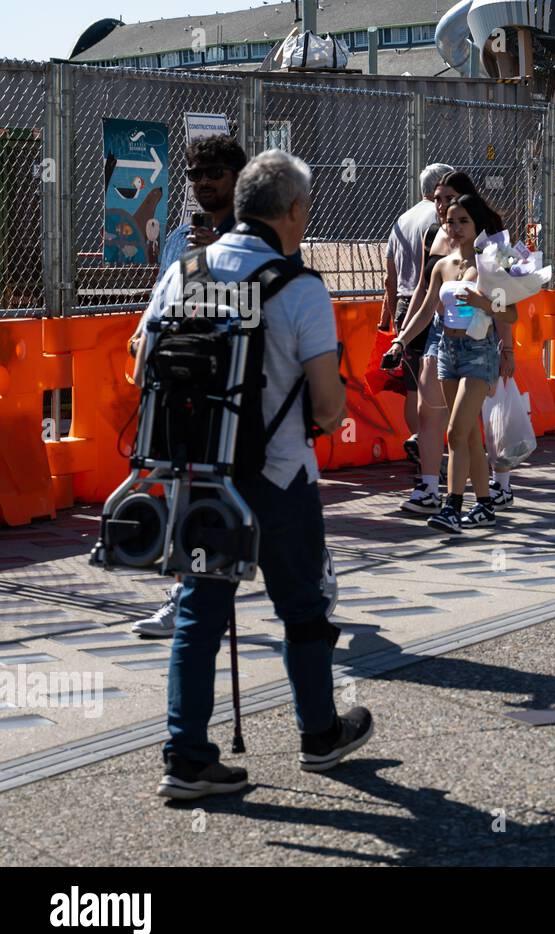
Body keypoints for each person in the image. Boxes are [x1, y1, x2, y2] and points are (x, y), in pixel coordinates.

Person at [136, 149, 373, 799]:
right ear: (295, 211)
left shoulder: (184, 272)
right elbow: (327, 407)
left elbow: (141, 366)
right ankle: (319, 734)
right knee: (303, 607)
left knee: (198, 615)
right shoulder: (299, 288)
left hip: (204, 478)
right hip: (279, 477)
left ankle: (186, 759)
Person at [129, 134, 247, 638]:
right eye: (195, 175)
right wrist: (144, 332)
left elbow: (257, 309)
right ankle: (185, 596)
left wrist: (219, 254)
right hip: (183, 383)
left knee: (257, 498)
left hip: (241, 389)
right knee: (186, 487)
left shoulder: (257, 238)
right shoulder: (180, 237)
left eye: (213, 173)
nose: (202, 184)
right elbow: (164, 295)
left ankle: (313, 566)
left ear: (239, 178)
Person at [385, 193, 516, 533]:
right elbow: (426, 310)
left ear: (477, 224)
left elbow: (511, 311)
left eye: (463, 221)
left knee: (456, 431)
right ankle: (484, 505)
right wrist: (400, 340)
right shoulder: (443, 265)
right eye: (450, 221)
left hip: (478, 353)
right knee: (469, 433)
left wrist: (482, 302)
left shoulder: (491, 263)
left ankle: (452, 507)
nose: (455, 228)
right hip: (447, 352)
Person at [395, 170, 478, 515]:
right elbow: (424, 293)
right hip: (438, 336)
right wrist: (402, 336)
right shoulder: (435, 234)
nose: (441, 206)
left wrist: (505, 344)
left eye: (449, 199)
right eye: (438, 199)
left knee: (467, 425)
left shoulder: (487, 234)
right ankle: (429, 487)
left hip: (477, 340)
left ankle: (493, 489)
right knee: (428, 413)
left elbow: (509, 290)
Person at [378, 162, 454, 457]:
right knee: (439, 382)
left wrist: (388, 317)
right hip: (435, 305)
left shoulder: (403, 220)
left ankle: (420, 441)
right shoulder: (443, 221)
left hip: (404, 303)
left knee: (413, 386)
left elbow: (390, 275)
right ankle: (434, 446)